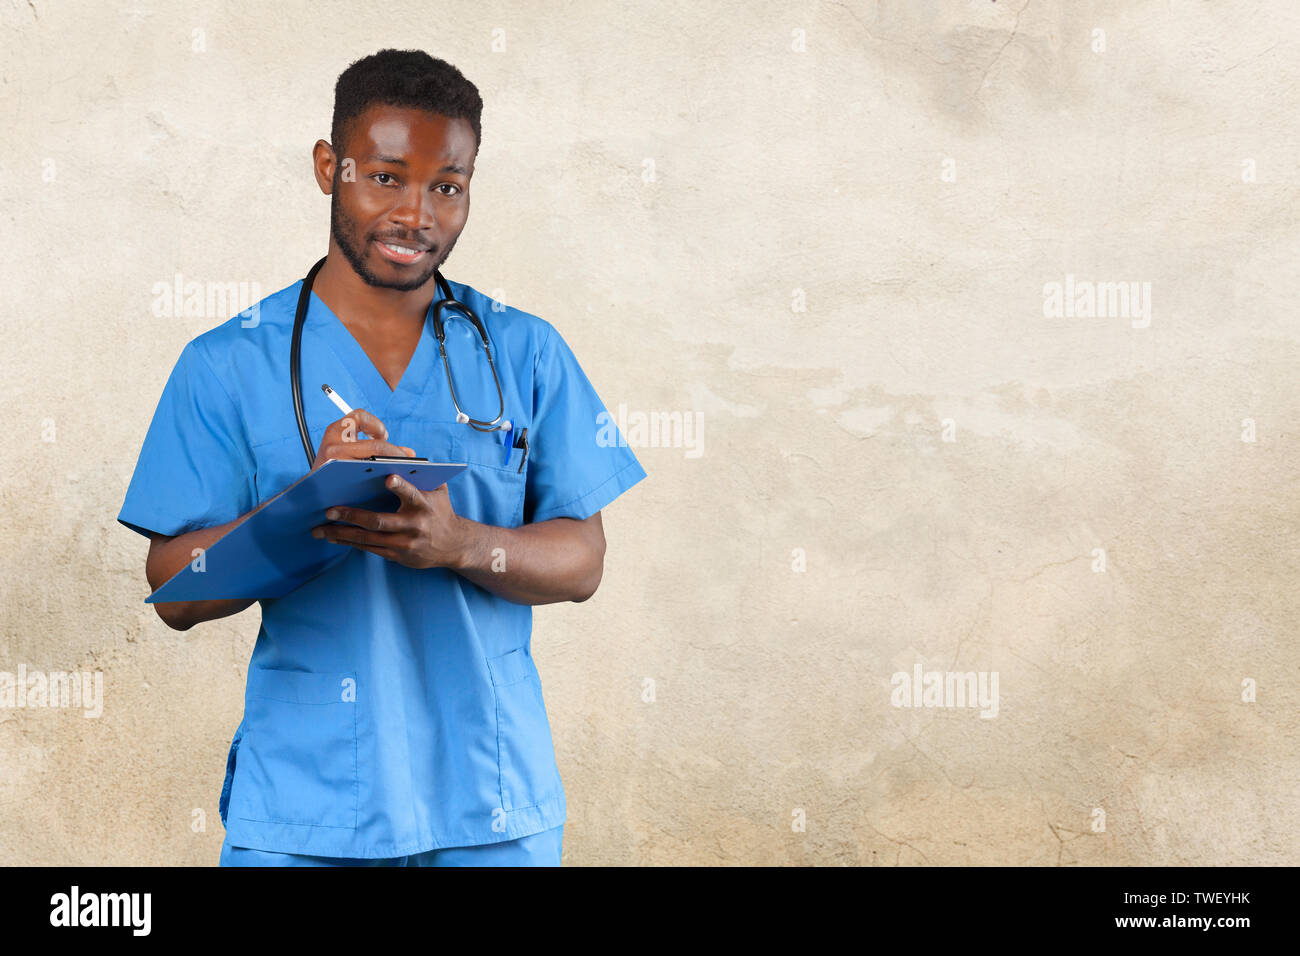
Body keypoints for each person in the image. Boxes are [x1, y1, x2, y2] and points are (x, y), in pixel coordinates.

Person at [117, 49, 645, 867]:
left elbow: (581, 564)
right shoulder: (227, 363)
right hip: (308, 808)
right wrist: (303, 509)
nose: (416, 215)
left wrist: (461, 544)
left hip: (490, 807)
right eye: (387, 177)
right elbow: (175, 593)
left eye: (448, 186)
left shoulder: (526, 352)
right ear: (331, 168)